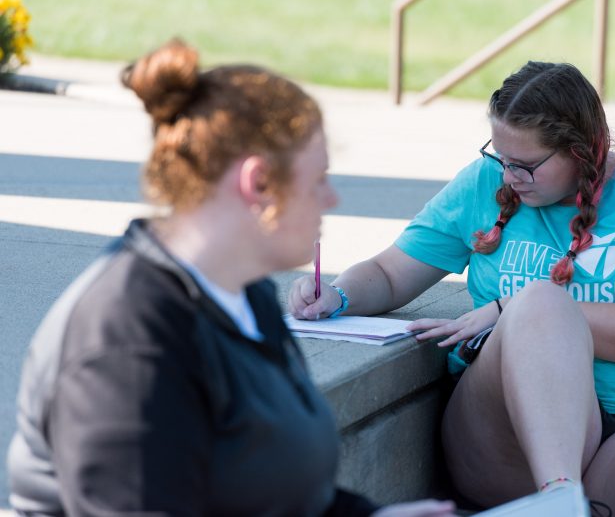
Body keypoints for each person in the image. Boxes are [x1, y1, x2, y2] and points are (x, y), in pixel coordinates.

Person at [7, 39, 455, 517]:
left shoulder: (246, 296)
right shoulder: (126, 336)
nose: (331, 200)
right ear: (257, 183)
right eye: (318, 180)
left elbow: (276, 489)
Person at [289, 61, 615, 516]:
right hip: (506, 430)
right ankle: (558, 500)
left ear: (582, 151)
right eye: (500, 158)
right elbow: (388, 273)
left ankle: (562, 501)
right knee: (542, 302)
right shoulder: (484, 183)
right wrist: (338, 295)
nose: (508, 177)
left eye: (524, 166)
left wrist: (509, 307)